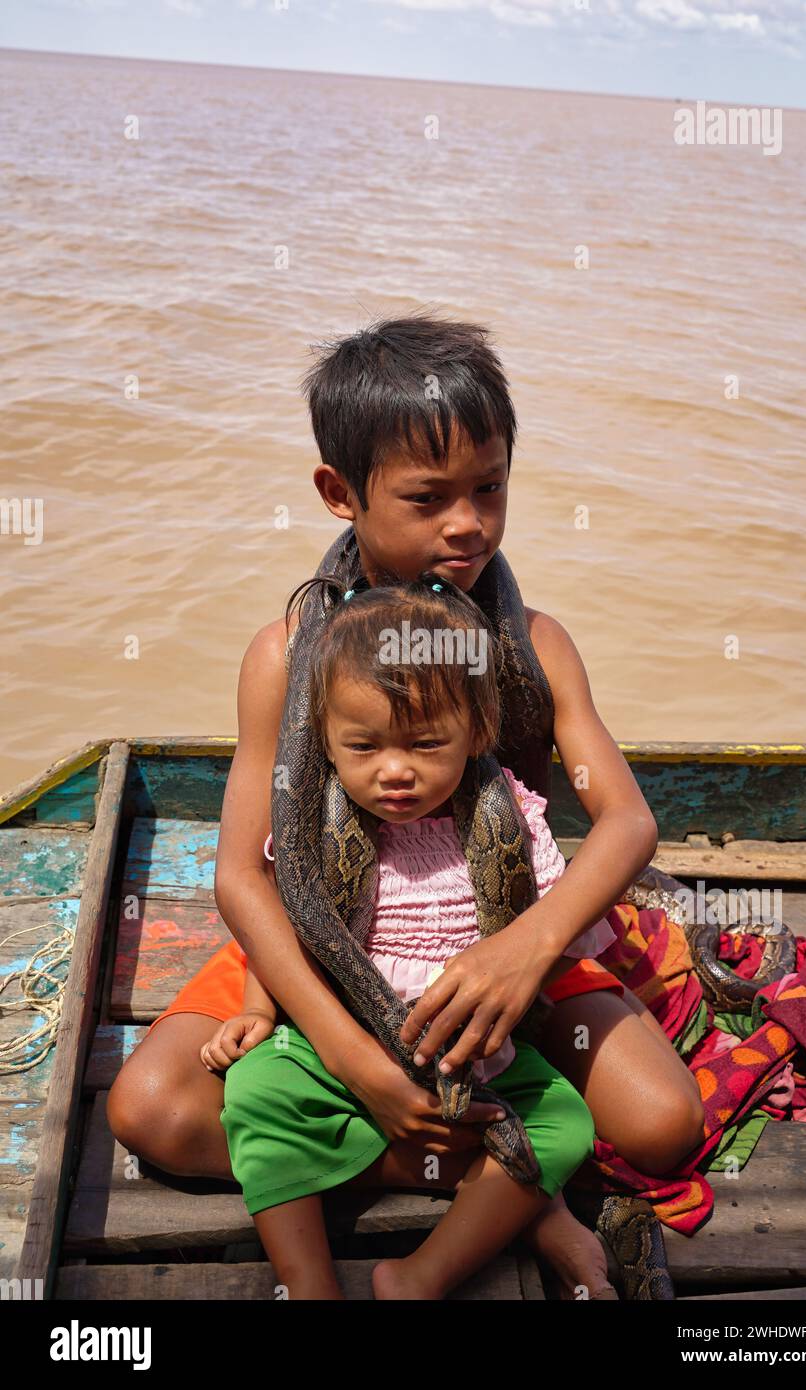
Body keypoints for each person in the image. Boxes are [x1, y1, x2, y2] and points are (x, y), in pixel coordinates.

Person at [107, 312, 704, 1296]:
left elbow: (626, 822)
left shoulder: (533, 647)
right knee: (149, 1111)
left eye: (488, 487)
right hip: (329, 924)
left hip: (497, 925)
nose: (466, 522)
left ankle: (446, 1154)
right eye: (427, 498)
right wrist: (357, 1060)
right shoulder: (284, 656)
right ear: (339, 493)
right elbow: (241, 875)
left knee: (661, 1121)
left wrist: (521, 951)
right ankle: (499, 1173)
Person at [219, 570, 617, 1299]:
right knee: (254, 1093)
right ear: (325, 746)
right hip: (336, 1045)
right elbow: (289, 919)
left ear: (479, 733)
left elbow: (560, 927)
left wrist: (531, 976)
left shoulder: (515, 818)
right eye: (364, 747)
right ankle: (308, 1281)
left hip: (478, 1060)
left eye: (426, 743)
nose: (395, 771)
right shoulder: (310, 824)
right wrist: (256, 1010)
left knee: (565, 1123)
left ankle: (421, 1276)